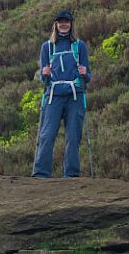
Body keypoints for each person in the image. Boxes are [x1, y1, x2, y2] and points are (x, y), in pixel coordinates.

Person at [32, 9, 91, 178]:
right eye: (60, 22)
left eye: (66, 21)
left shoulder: (79, 46)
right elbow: (44, 79)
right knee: (47, 135)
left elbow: (87, 76)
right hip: (53, 96)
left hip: (75, 96)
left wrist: (85, 73)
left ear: (71, 24)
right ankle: (41, 174)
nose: (63, 24)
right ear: (56, 25)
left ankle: (71, 175)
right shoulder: (47, 47)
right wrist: (44, 73)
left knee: (73, 137)